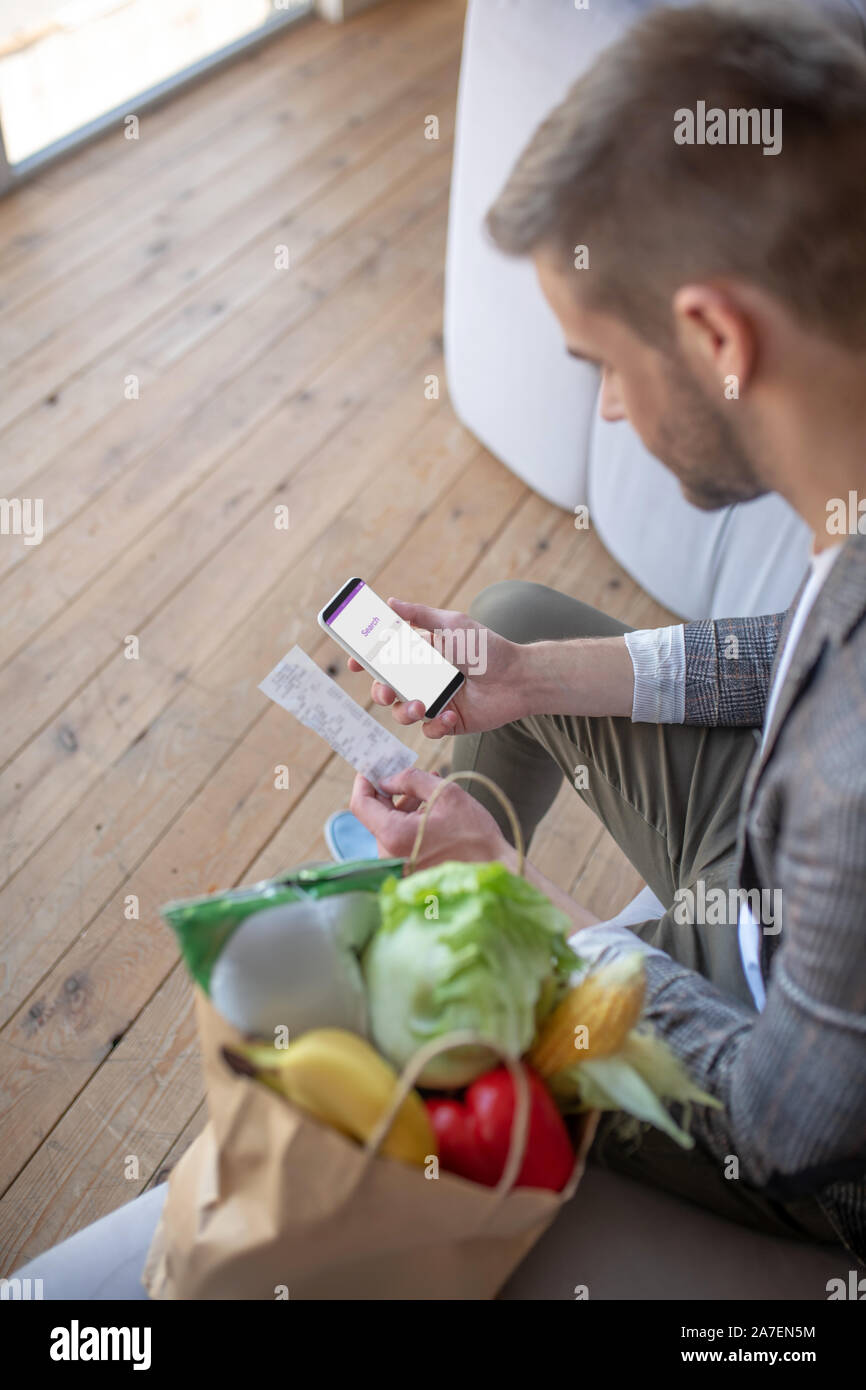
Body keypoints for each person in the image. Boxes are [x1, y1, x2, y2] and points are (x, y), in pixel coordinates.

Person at [347, 1, 866, 1262]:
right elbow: (783, 648)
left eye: (602, 364)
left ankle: (466, 955)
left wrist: (527, 915)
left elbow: (775, 1128)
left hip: (780, 1105)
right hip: (766, 903)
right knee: (513, 624)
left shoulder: (852, 781)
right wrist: (522, 679)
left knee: (372, 1037)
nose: (616, 415)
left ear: (713, 336)